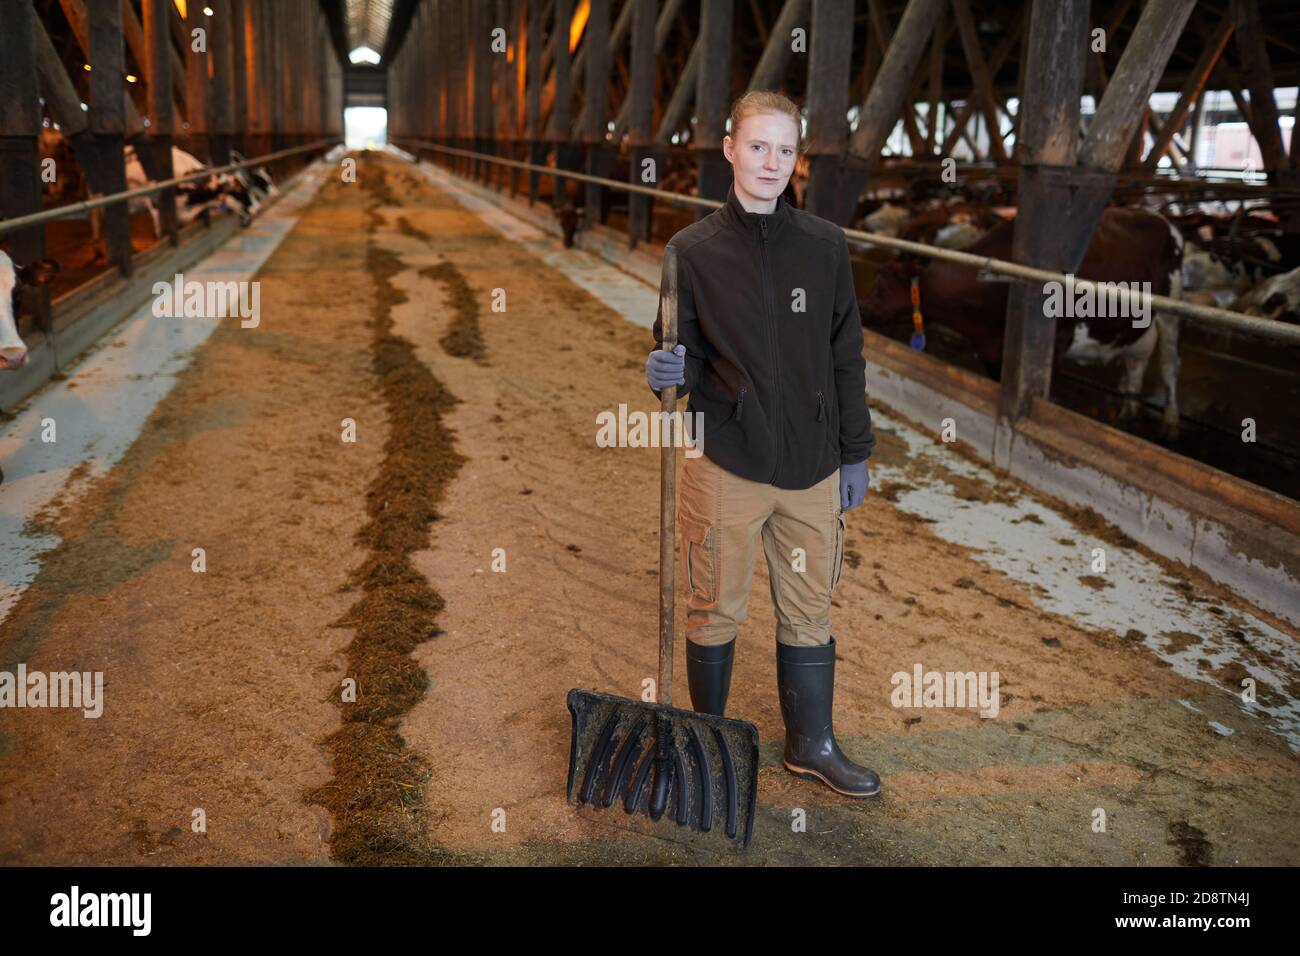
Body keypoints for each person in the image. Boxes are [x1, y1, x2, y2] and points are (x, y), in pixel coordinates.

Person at [645, 90, 881, 798]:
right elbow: (671, 353)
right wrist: (661, 371)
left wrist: (856, 449)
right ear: (729, 148)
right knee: (715, 603)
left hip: (811, 464)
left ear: (796, 159)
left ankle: (812, 744)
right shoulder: (691, 252)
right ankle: (707, 746)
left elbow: (847, 355)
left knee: (810, 607)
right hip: (728, 458)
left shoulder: (824, 246)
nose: (771, 162)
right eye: (758, 146)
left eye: (785, 150)